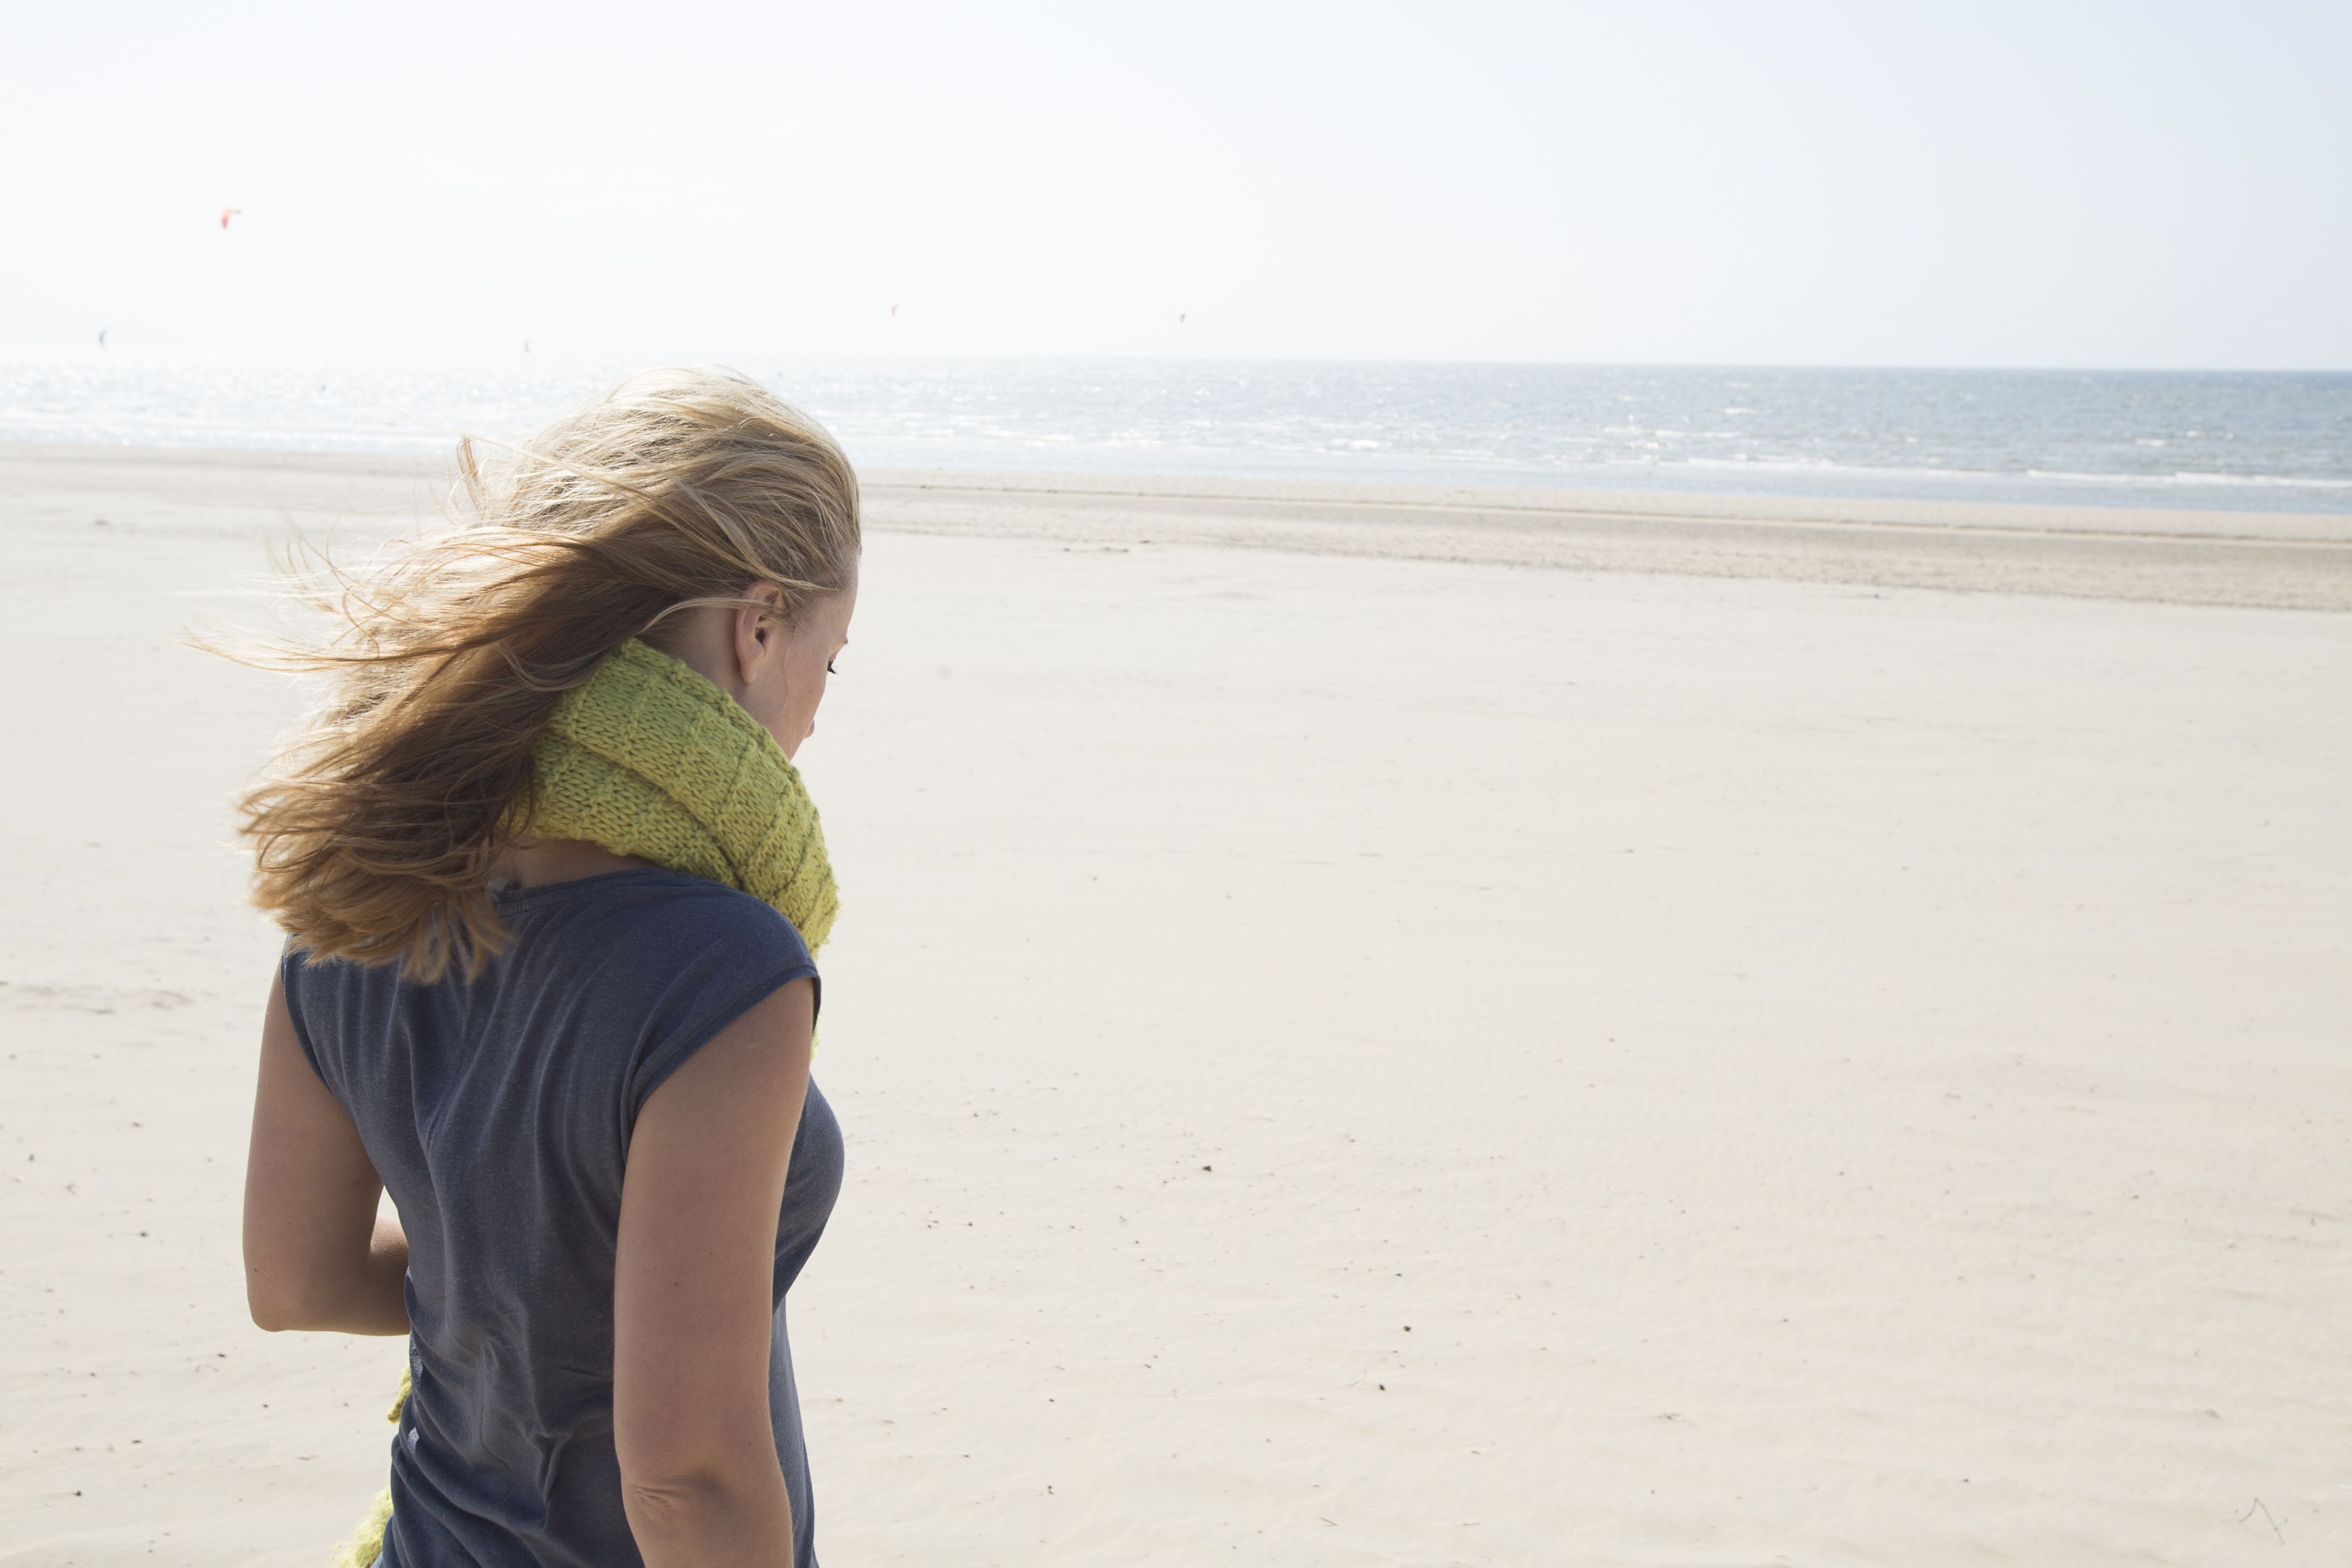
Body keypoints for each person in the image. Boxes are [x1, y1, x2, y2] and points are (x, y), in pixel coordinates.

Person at [235, 368, 860, 1567]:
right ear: (761, 624)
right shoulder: (724, 969)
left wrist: (493, 1290)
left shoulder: (355, 902)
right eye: (832, 662)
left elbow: (295, 1280)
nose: (819, 714)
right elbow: (687, 1478)